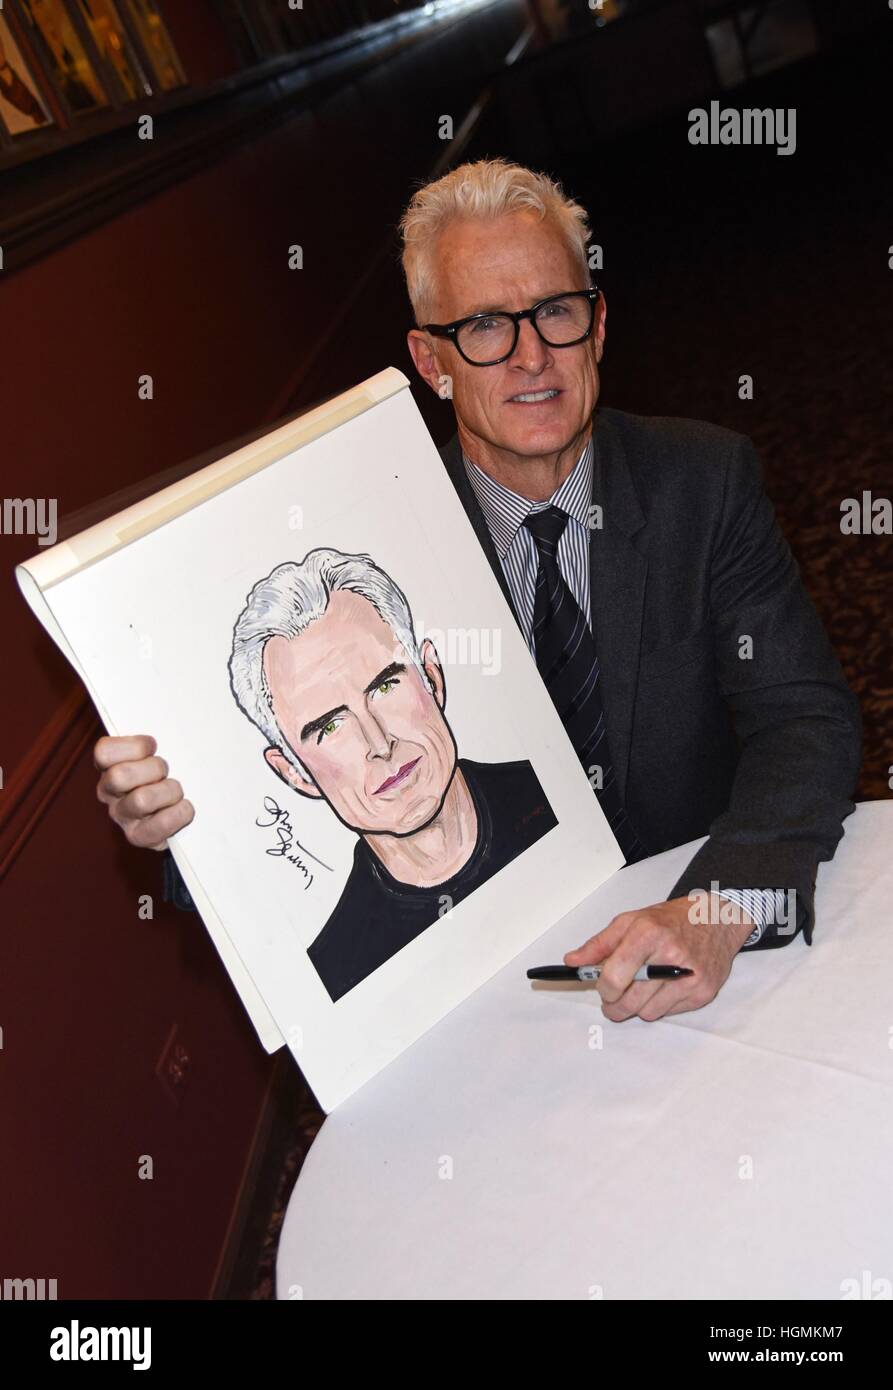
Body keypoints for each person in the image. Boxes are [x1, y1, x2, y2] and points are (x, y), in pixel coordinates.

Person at [95, 159, 862, 1024]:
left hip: (699, 928)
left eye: (556, 313)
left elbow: (806, 721)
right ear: (431, 361)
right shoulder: (377, 552)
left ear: (598, 325)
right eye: (486, 327)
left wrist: (719, 910)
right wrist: (179, 824)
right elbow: (274, 867)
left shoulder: (702, 479)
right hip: (480, 987)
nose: (532, 357)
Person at [226, 548, 556, 1002]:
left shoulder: (561, 798)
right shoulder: (338, 968)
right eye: (330, 726)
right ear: (296, 774)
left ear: (432, 678)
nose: (379, 743)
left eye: (384, 686)